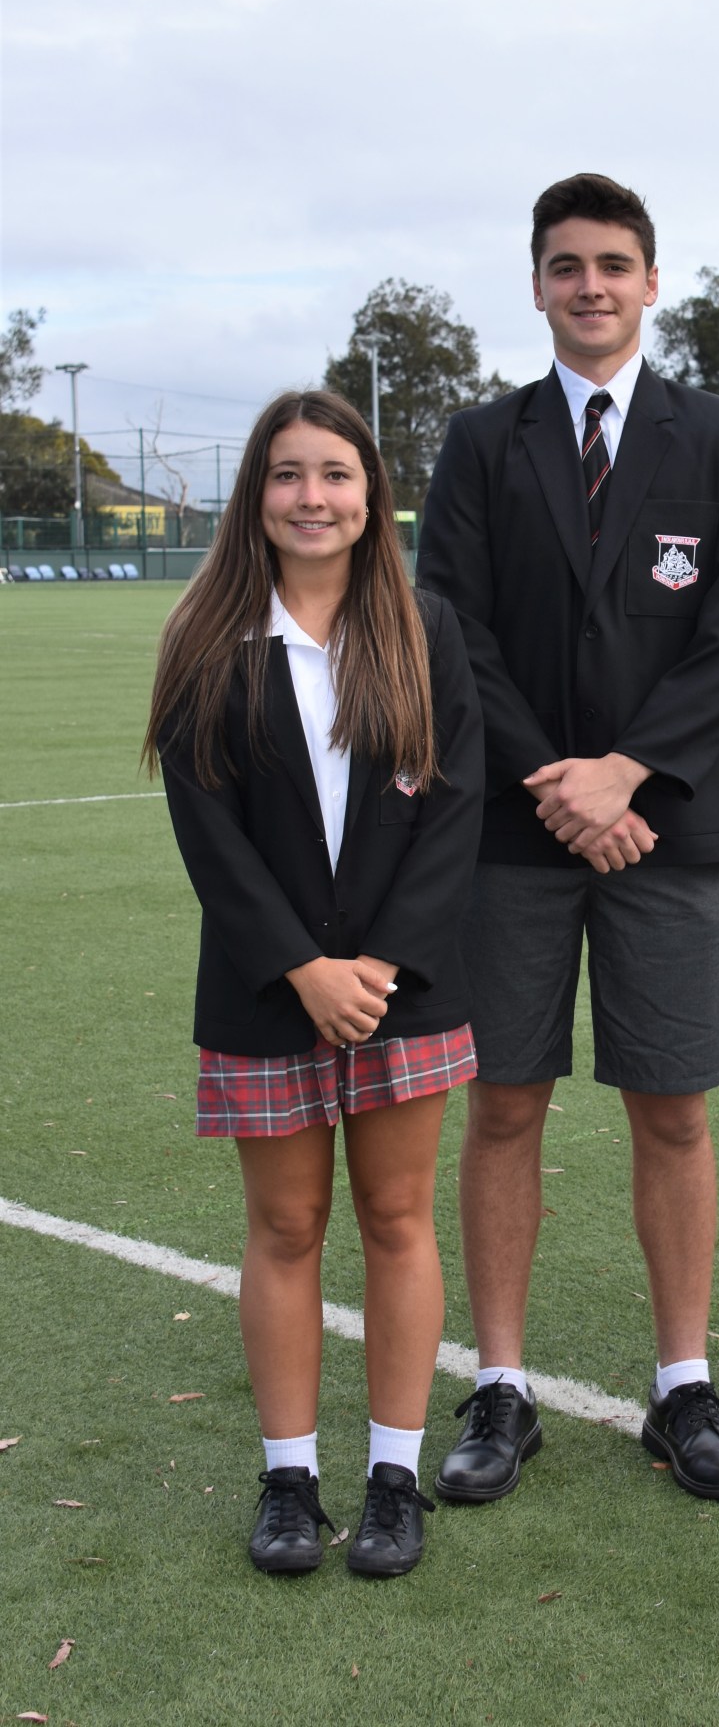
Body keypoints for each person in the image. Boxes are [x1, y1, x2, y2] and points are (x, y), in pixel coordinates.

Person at [417, 173, 719, 1503]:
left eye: (613, 264)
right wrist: (554, 784)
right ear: (536, 284)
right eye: (566, 265)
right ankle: (501, 1385)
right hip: (513, 839)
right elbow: (450, 626)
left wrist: (625, 774)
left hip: (668, 833)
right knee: (505, 1106)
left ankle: (682, 1385)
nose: (590, 286)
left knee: (673, 1113)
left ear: (650, 281)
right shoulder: (482, 440)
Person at [144, 389, 484, 1576]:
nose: (312, 498)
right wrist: (302, 968)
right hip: (264, 990)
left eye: (335, 475)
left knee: (397, 1218)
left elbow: (455, 809)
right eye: (287, 476)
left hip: (403, 990)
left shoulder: (425, 628)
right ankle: (289, 1480)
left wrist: (376, 967)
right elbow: (209, 832)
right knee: (286, 1226)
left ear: (371, 495)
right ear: (257, 496)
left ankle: (395, 1475)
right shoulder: (205, 636)